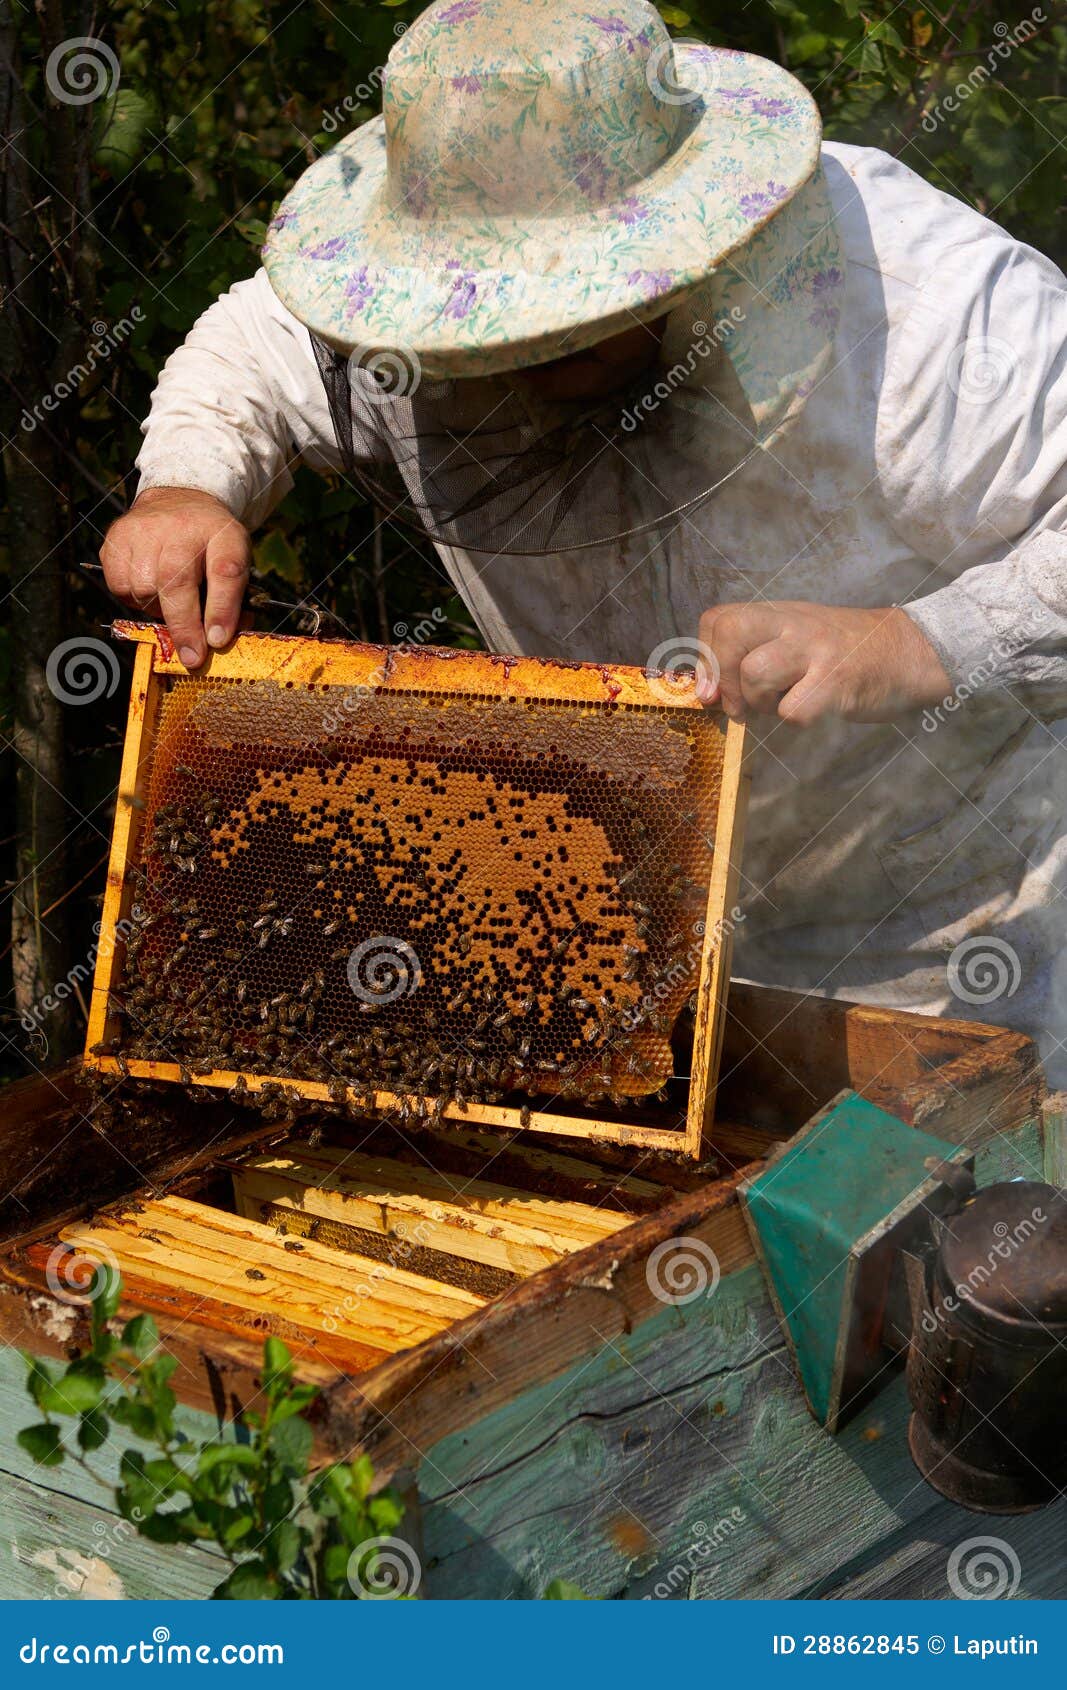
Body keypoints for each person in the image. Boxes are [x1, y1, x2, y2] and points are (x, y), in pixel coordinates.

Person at [101, 0, 1067, 1082]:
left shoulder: (932, 313)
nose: (530, 355)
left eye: (570, 320)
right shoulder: (394, 320)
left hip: (971, 936)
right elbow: (254, 344)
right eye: (494, 327)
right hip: (630, 955)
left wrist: (916, 640)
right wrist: (186, 483)